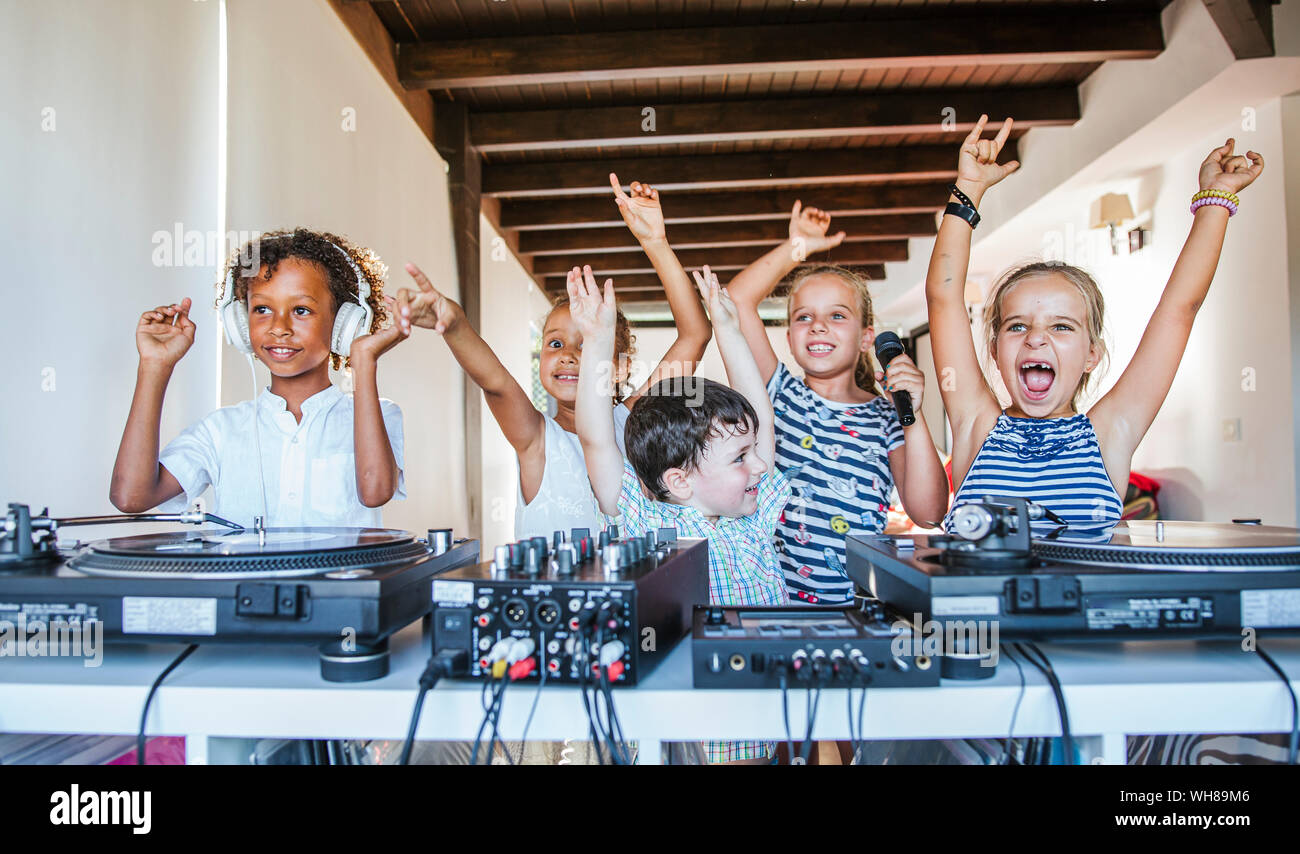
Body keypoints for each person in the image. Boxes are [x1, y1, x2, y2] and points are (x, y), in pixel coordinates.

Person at [927, 115, 1264, 534]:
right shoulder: (975, 424)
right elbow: (943, 299)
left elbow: (1180, 308)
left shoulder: (1110, 432)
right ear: (995, 350)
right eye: (1017, 326)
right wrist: (969, 191)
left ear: (1092, 355)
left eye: (1061, 327)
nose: (1035, 337)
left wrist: (1216, 201)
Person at [396, 174, 710, 539]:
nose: (569, 356)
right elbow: (495, 383)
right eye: (555, 344)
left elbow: (696, 335)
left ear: (619, 368)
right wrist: (455, 326)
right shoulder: (536, 438)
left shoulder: (632, 421)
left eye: (589, 345)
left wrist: (655, 242)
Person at [571, 263, 786, 763]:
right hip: (672, 741)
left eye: (755, 450)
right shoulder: (645, 521)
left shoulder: (749, 514)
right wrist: (597, 343)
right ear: (679, 481)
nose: (760, 464)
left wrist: (729, 330)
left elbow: (762, 414)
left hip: (753, 736)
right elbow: (595, 437)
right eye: (740, 457)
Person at [110, 228, 410, 528]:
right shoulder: (220, 431)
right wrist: (154, 366)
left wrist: (364, 362)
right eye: (262, 309)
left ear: (345, 324)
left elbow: (374, 492)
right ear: (239, 321)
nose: (279, 327)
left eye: (301, 310)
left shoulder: (378, 414)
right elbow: (131, 497)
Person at [726, 205, 949, 604]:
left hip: (855, 608)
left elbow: (929, 513)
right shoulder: (777, 392)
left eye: (837, 315)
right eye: (803, 317)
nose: (818, 325)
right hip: (769, 603)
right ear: (791, 337)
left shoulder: (887, 417)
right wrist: (799, 247)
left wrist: (911, 414)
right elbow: (736, 300)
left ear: (867, 338)